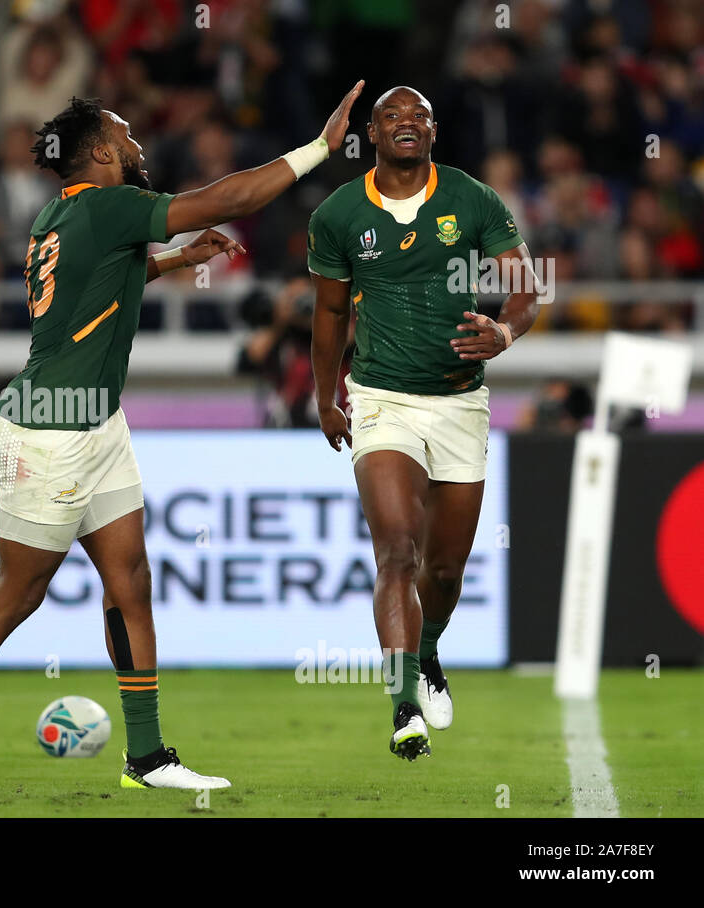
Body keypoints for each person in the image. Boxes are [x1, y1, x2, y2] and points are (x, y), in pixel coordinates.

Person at [0, 82, 365, 789]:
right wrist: (321, 146)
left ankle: (147, 756)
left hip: (96, 421)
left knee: (130, 579)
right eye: (127, 133)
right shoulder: (110, 206)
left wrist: (176, 260)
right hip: (49, 431)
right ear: (101, 151)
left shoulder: (61, 214)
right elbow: (234, 198)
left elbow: (100, 282)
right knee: (20, 590)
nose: (138, 145)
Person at [308, 86, 540, 760]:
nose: (406, 123)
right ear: (372, 135)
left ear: (434, 132)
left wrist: (505, 329)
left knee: (442, 570)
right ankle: (403, 703)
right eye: (391, 117)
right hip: (381, 400)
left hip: (460, 402)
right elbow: (327, 315)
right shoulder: (339, 213)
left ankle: (430, 653)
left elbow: (525, 288)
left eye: (418, 116)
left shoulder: (470, 198)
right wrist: (328, 396)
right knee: (398, 554)